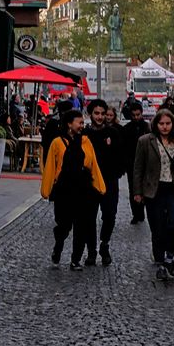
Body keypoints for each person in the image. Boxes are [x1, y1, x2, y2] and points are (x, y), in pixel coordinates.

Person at [133, 109, 174, 281]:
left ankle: (169, 257)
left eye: (168, 123)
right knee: (157, 228)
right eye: (161, 124)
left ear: (173, 124)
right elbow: (138, 168)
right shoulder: (145, 141)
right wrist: (137, 192)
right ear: (156, 124)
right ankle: (161, 263)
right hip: (154, 190)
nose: (165, 127)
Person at [40, 109, 106, 269]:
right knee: (64, 225)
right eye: (79, 122)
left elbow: (93, 165)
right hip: (64, 189)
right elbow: (50, 166)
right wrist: (46, 189)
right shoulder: (57, 143)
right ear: (69, 124)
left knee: (81, 225)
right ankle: (58, 247)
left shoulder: (86, 142)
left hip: (84, 189)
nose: (82, 125)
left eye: (83, 123)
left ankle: (75, 259)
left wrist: (99, 185)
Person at [84, 98, 125, 265]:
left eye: (102, 113)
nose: (100, 117)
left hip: (109, 181)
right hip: (89, 183)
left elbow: (120, 155)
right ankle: (91, 250)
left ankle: (104, 243)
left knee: (109, 215)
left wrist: (116, 173)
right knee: (89, 217)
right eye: (96, 113)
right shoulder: (84, 134)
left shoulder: (113, 133)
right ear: (90, 114)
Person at [121, 100, 150, 224]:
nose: (136, 117)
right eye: (134, 115)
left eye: (138, 115)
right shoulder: (127, 129)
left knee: (146, 188)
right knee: (133, 189)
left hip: (146, 163)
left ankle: (141, 212)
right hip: (132, 164)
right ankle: (136, 214)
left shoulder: (147, 127)